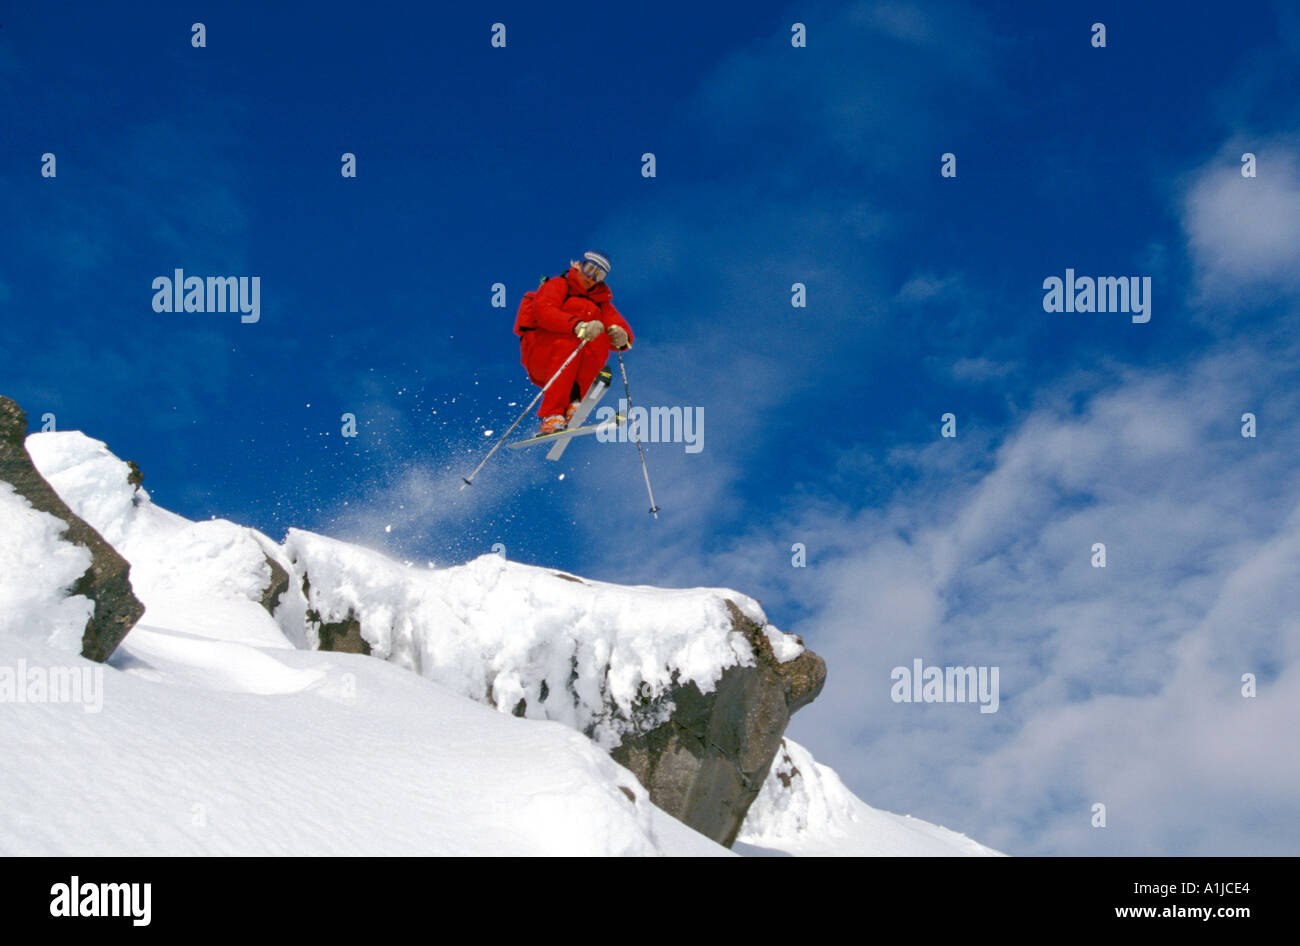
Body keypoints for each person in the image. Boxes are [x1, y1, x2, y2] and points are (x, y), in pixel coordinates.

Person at [515, 250, 634, 435]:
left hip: (574, 362)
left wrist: (622, 336)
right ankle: (552, 414)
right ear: (578, 265)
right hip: (542, 352)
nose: (592, 277)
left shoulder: (600, 302)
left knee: (600, 338)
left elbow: (618, 324)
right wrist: (577, 326)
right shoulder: (559, 285)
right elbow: (544, 311)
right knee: (569, 340)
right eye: (590, 269)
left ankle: (574, 402)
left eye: (599, 274)